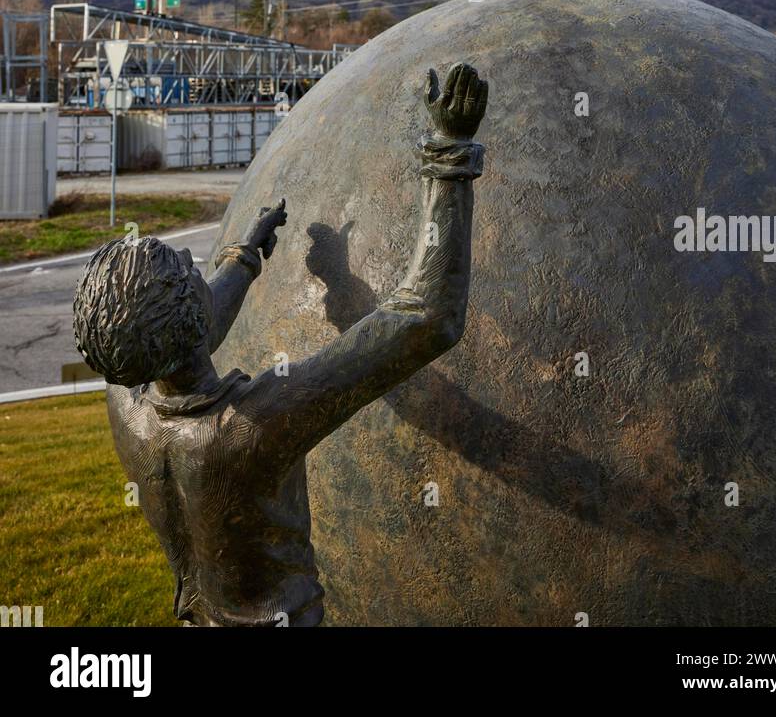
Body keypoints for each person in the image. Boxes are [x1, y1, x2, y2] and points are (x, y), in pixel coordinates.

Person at [72, 62, 488, 627]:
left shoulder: (129, 403)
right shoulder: (256, 424)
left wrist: (243, 257)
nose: (199, 271)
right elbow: (426, 318)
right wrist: (450, 153)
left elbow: (185, 334)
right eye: (191, 272)